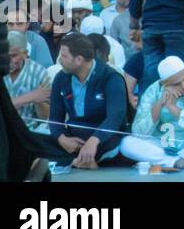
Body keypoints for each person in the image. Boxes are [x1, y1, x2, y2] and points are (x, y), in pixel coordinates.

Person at [35, 33, 128, 169]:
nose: (59, 60)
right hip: (73, 141)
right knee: (35, 139)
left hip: (105, 139)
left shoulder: (111, 77)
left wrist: (94, 141)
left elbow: (116, 116)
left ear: (78, 60)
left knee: (130, 147)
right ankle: (78, 160)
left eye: (64, 56)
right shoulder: (61, 78)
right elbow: (55, 119)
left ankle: (73, 160)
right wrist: (62, 138)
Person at [119, 56, 184, 171]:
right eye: (177, 84)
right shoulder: (152, 91)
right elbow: (138, 132)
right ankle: (177, 162)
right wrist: (159, 105)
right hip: (160, 144)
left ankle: (164, 162)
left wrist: (173, 109)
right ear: (164, 84)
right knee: (127, 144)